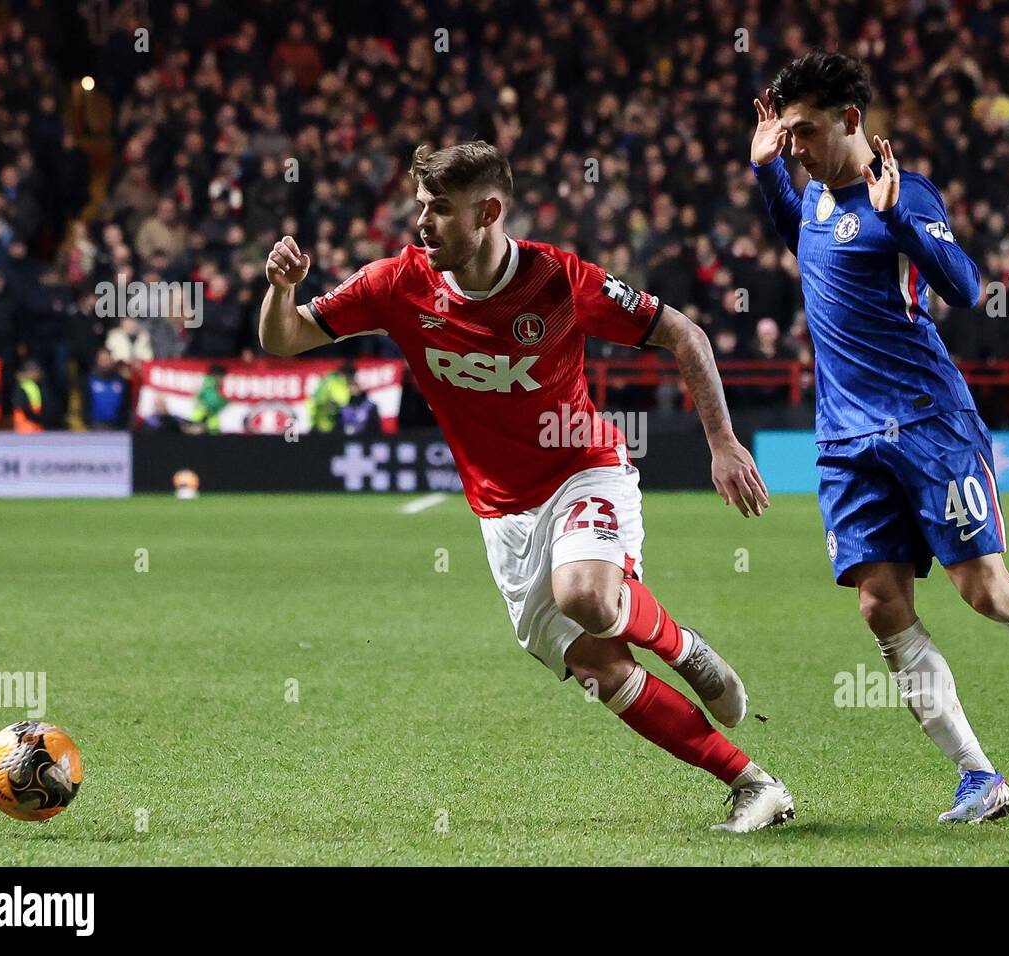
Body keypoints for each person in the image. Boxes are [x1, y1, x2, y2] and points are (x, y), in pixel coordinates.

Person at [260, 140, 794, 833]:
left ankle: (682, 649)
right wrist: (281, 289)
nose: (422, 224)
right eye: (420, 207)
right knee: (603, 671)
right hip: (502, 516)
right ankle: (752, 784)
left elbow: (684, 335)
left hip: (583, 470)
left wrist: (721, 443)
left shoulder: (560, 280)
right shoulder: (397, 283)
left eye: (439, 210)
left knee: (587, 595)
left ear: (489, 211)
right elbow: (286, 340)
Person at [750, 51, 1009, 823]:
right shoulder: (816, 199)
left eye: (804, 132)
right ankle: (978, 775)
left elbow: (965, 285)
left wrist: (898, 219)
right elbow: (806, 235)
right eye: (786, 134)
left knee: (985, 593)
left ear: (852, 122)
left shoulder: (907, 194)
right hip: (844, 442)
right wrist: (768, 174)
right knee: (878, 605)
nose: (794, 146)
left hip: (929, 425)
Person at [308, 362, 354, 433]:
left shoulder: (311, 405)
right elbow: (343, 376)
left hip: (312, 368)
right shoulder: (341, 393)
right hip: (330, 363)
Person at [190, 364, 228, 433]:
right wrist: (225, 403)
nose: (223, 379)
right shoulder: (210, 385)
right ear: (217, 376)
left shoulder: (207, 382)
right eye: (222, 377)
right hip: (203, 417)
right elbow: (213, 403)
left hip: (199, 417)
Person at [13, 359, 47, 433]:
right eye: (35, 370)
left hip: (34, 428)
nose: (38, 373)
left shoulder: (35, 386)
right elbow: (23, 408)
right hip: (26, 428)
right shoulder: (26, 387)